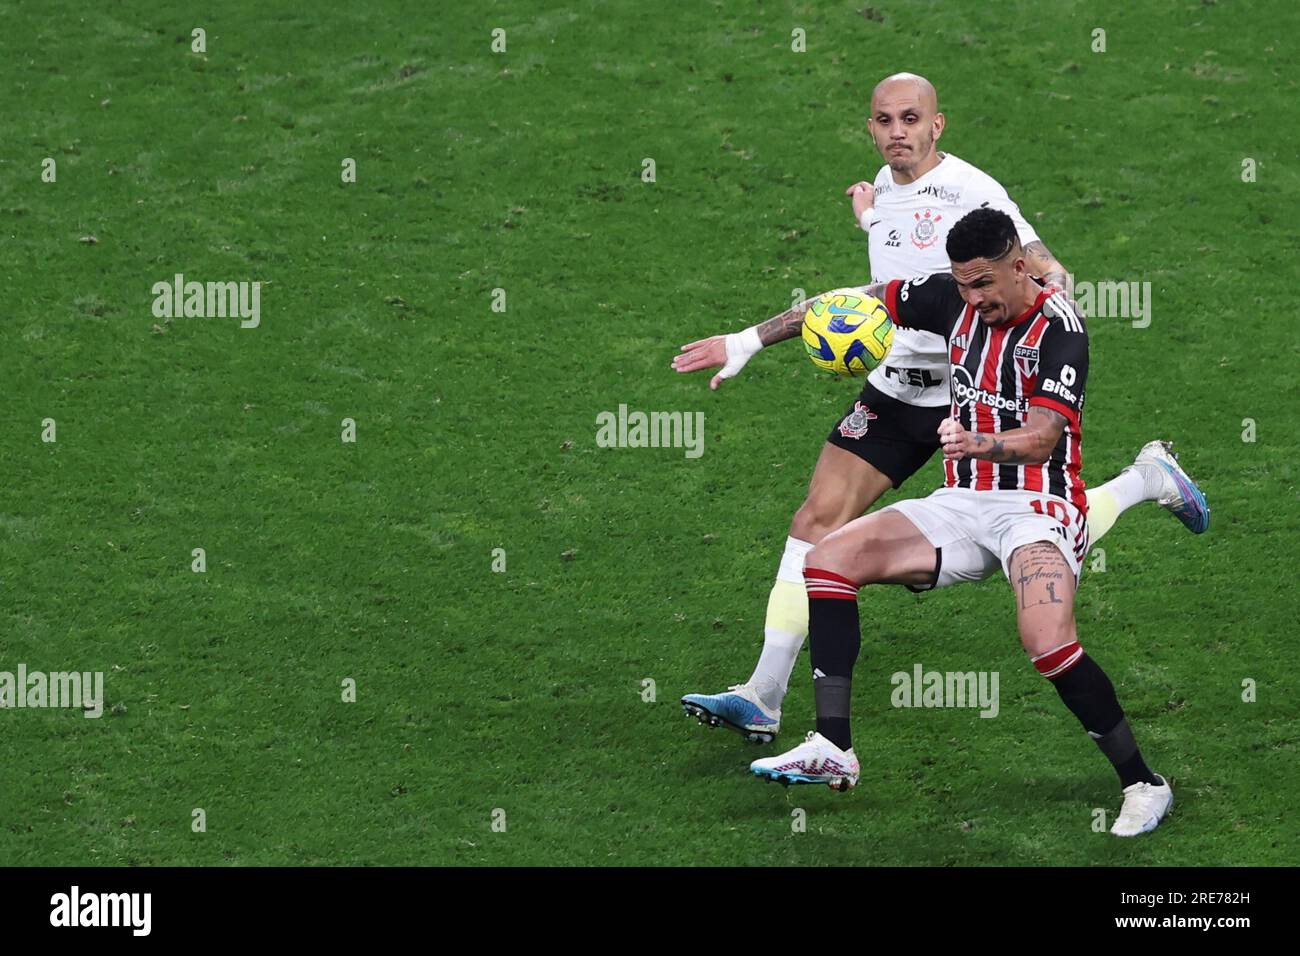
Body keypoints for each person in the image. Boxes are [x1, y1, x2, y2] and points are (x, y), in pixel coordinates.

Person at [675, 73, 1208, 744]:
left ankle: (1146, 481)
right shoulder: (882, 188)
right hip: (900, 391)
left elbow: (1043, 264)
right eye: (883, 120)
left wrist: (1050, 306)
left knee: (1033, 519)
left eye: (909, 118)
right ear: (868, 128)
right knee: (814, 521)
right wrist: (748, 337)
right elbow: (885, 273)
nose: (896, 131)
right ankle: (764, 694)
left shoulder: (974, 191)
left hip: (976, 395)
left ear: (937, 125)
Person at [748, 208, 1173, 837]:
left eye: (983, 284)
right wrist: (746, 341)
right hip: (961, 501)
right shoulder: (951, 297)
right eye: (962, 285)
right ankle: (833, 746)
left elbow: (1042, 438)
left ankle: (1143, 784)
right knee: (826, 560)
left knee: (1048, 643)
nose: (973, 299)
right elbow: (855, 299)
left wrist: (981, 443)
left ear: (1019, 266)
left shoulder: (1062, 330)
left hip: (1039, 509)